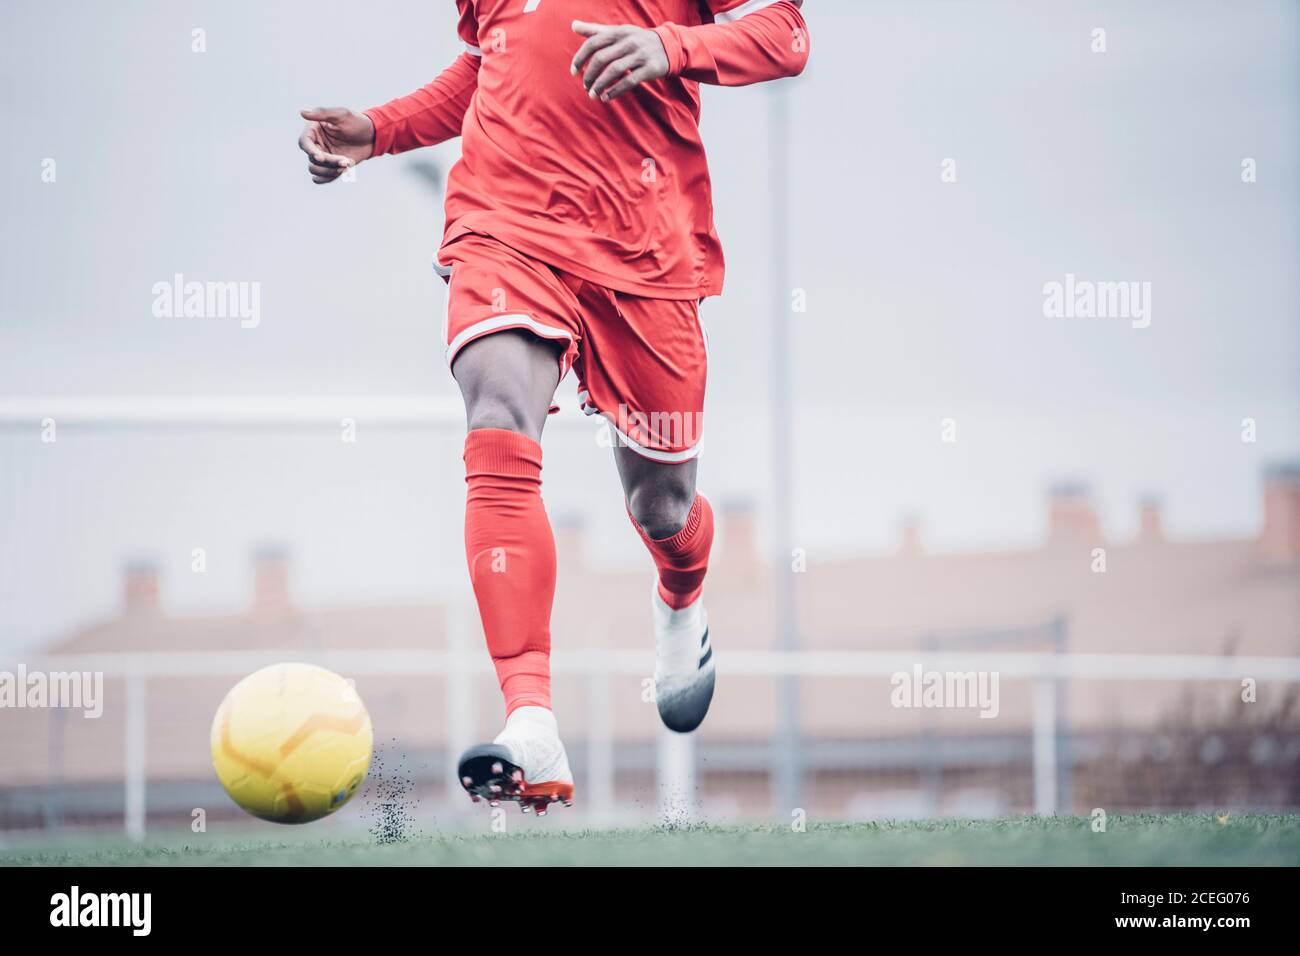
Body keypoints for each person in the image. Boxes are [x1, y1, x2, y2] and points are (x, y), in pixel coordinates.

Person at [299, 0, 809, 814]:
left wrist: (668, 47)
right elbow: (490, 63)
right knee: (496, 413)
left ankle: (680, 591)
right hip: (504, 226)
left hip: (645, 253)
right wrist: (381, 128)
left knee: (662, 504)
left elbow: (786, 34)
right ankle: (529, 716)